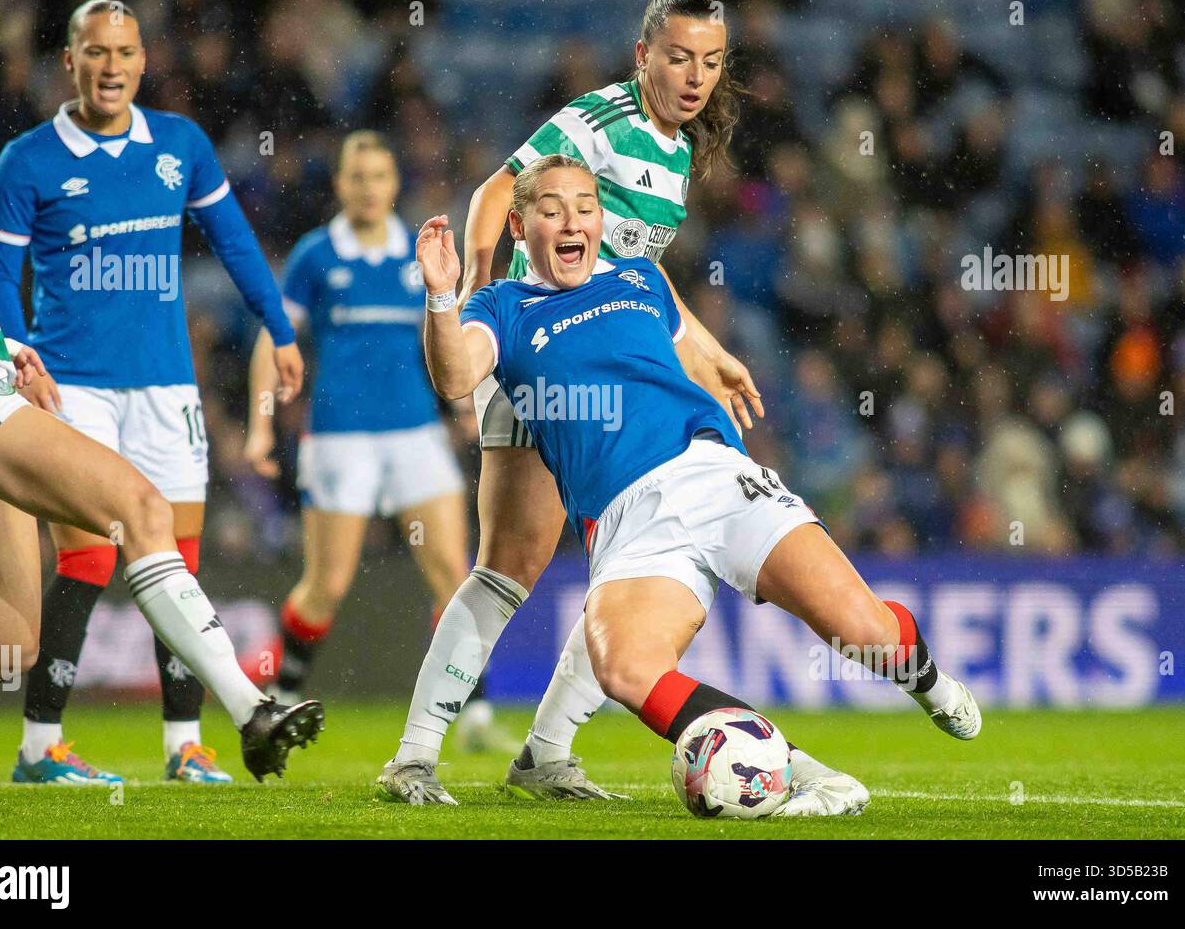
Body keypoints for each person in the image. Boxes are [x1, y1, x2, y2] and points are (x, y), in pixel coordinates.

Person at [379, 0, 859, 812]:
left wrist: (705, 349)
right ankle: (416, 758)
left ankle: (543, 755)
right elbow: (498, 193)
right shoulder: (597, 121)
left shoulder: (674, 152)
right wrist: (490, 311)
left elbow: (637, 271)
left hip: (613, 371)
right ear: (644, 56)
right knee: (510, 565)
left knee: (617, 561)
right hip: (549, 361)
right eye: (678, 57)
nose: (695, 75)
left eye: (710, 62)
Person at [416, 156, 982, 814]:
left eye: (585, 206)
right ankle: (799, 771)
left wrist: (722, 367)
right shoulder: (503, 307)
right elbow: (454, 377)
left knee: (869, 635)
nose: (571, 220)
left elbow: (694, 356)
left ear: (602, 219)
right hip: (630, 523)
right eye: (550, 208)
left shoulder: (641, 278)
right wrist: (438, 296)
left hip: (716, 478)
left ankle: (930, 682)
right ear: (519, 224)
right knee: (625, 668)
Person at [0, 0, 322, 781]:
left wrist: (7, 346)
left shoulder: (176, 144)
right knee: (138, 514)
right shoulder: (29, 159)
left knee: (4, 645)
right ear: (70, 61)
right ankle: (250, 710)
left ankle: (174, 739)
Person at [245, 131, 469, 713]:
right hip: (340, 437)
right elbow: (274, 342)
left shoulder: (420, 252)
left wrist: (467, 406)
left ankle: (472, 711)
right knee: (327, 586)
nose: (368, 188)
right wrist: (261, 425)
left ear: (395, 184)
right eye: (357, 177)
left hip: (417, 431)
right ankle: (282, 693)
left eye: (379, 176)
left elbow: (455, 333)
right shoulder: (315, 255)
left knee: (455, 574)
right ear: (340, 184)